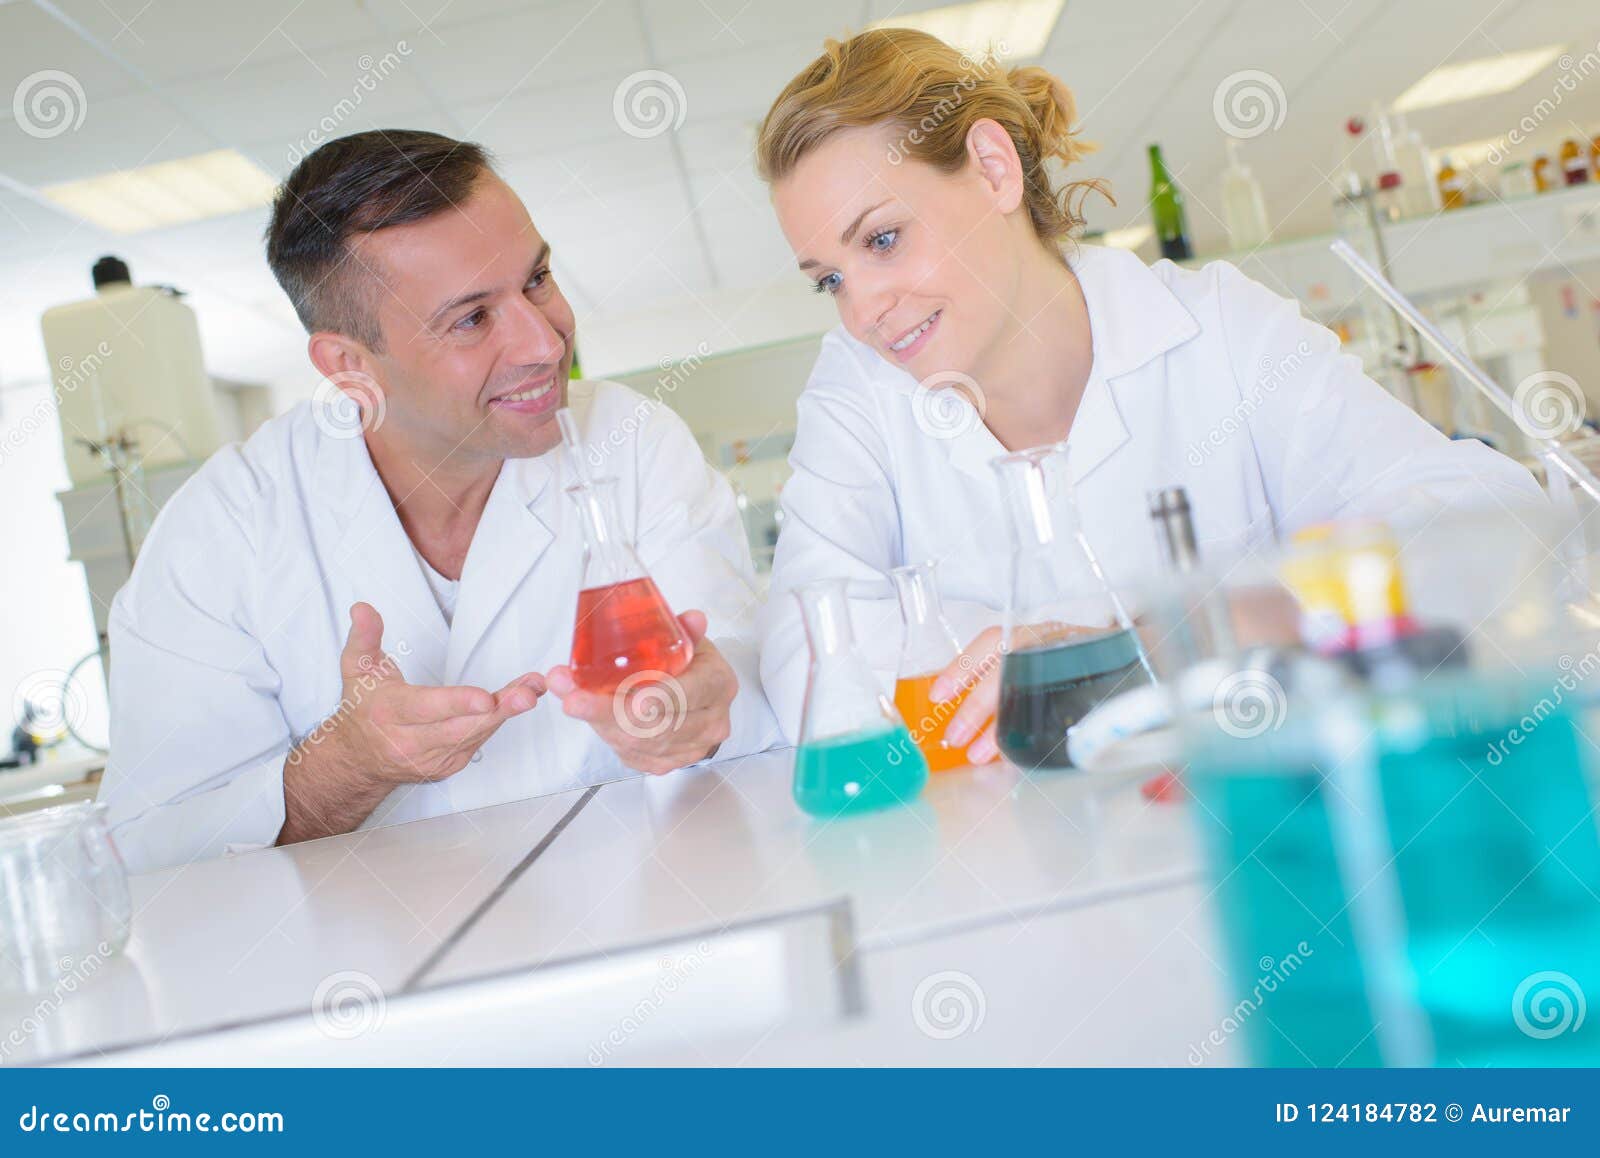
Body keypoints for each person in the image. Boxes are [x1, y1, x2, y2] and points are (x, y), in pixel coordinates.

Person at [753, 29, 1546, 760]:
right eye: (830, 280)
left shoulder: (1219, 330)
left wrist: (1175, 632)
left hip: (1270, 816)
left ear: (994, 169)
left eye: (883, 240)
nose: (863, 311)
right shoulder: (858, 391)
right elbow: (805, 662)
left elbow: (1486, 532)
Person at [101, 130, 776, 874]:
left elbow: (745, 698)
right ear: (350, 365)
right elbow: (152, 852)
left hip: (647, 929)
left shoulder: (633, 442)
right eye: (472, 319)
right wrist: (347, 767)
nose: (544, 344)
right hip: (365, 982)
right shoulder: (223, 529)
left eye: (538, 278)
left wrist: (707, 712)